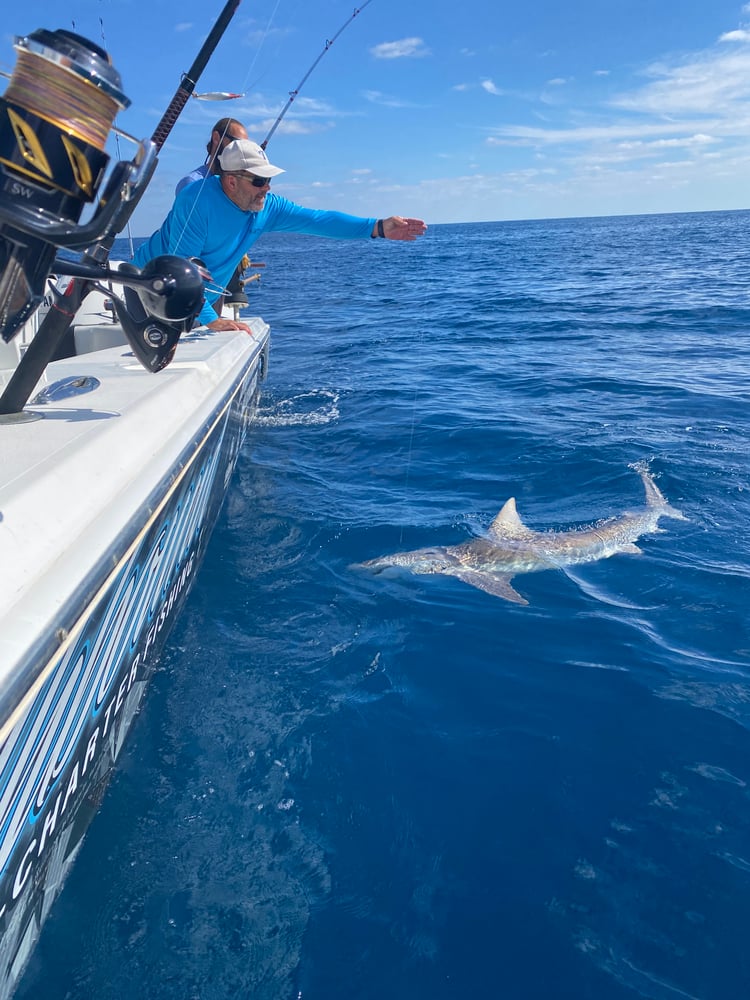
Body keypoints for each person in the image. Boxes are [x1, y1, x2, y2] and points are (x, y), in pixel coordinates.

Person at [135, 138, 428, 333]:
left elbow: (319, 220)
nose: (267, 188)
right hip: (144, 289)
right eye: (259, 180)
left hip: (195, 307)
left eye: (269, 180)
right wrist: (212, 321)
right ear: (231, 181)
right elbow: (180, 266)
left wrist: (377, 227)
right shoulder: (197, 202)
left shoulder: (267, 207)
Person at [175, 117, 248, 195]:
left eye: (244, 146)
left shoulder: (238, 187)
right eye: (236, 143)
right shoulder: (192, 182)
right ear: (216, 138)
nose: (240, 151)